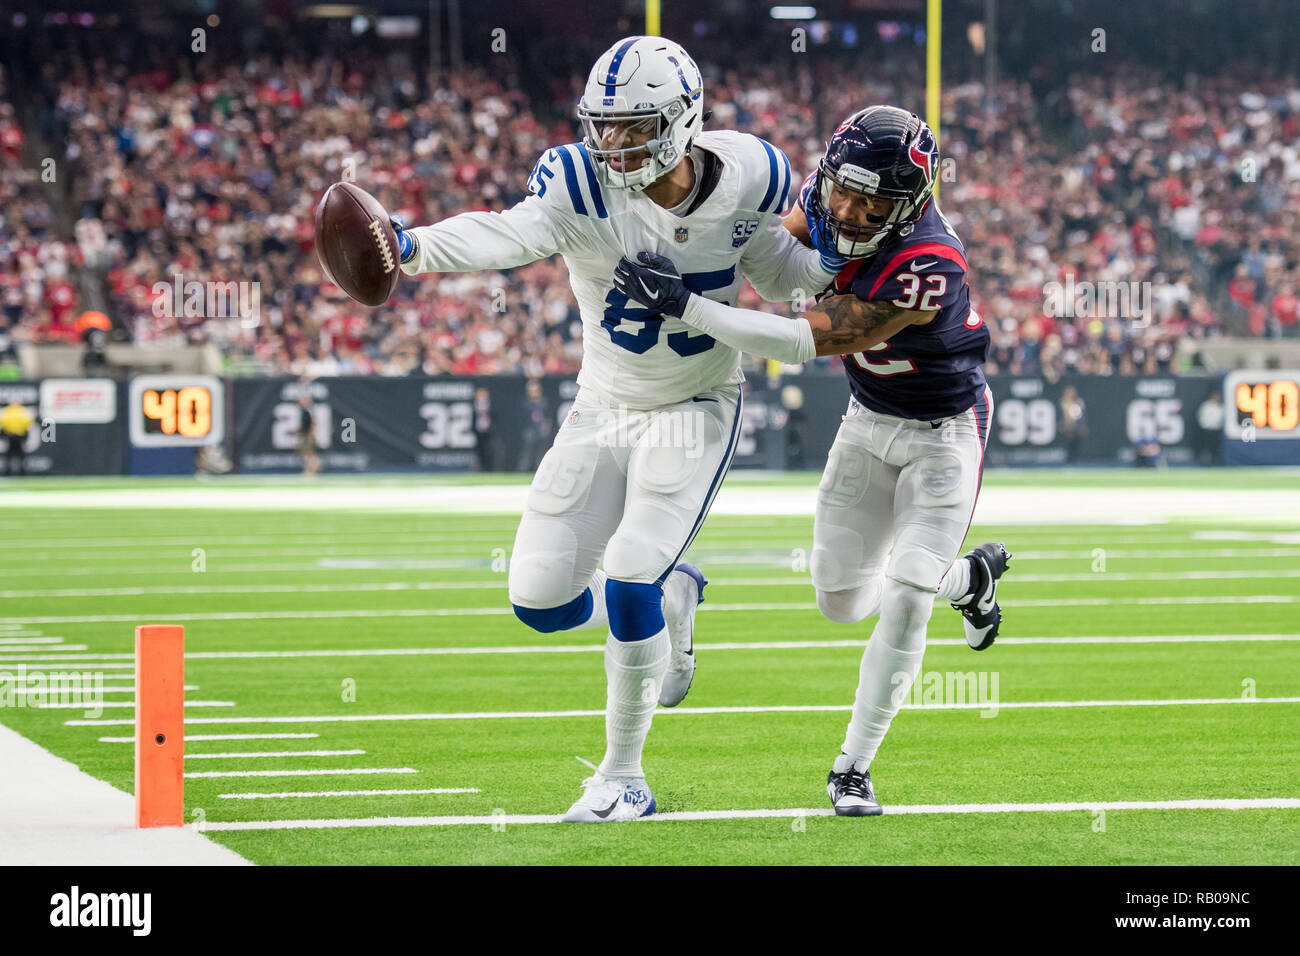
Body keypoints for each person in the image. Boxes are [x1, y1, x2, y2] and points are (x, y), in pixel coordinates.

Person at [390, 36, 843, 822]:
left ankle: (623, 777)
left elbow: (779, 275)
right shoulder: (575, 182)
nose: (613, 143)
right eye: (603, 125)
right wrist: (413, 248)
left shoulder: (753, 173)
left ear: (682, 120)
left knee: (631, 570)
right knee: (539, 599)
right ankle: (674, 597)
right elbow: (509, 232)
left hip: (696, 406)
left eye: (633, 127)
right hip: (601, 406)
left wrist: (837, 255)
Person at [615, 106, 1012, 816]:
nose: (853, 211)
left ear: (913, 201)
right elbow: (761, 257)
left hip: (944, 432)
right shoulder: (826, 201)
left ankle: (853, 767)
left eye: (875, 200)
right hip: (866, 423)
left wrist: (685, 305)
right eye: (845, 191)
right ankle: (971, 579)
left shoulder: (928, 261)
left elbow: (805, 337)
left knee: (908, 595)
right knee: (839, 600)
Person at [516, 379, 550, 472]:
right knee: (527, 452)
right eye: (532, 391)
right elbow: (522, 418)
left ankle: (540, 471)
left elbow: (547, 416)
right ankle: (522, 471)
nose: (534, 393)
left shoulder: (543, 401)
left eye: (536, 390)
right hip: (530, 430)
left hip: (541, 430)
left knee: (541, 452)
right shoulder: (526, 403)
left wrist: (546, 427)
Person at [1, 399, 34, 475]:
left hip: (17, 435)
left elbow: (28, 423)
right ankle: (9, 470)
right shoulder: (8, 411)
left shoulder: (21, 411)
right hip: (12, 435)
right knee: (11, 454)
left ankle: (20, 470)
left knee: (18, 454)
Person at [1195, 391, 1224, 465]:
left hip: (1217, 431)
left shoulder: (1220, 406)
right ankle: (1206, 462)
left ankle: (1216, 462)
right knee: (1207, 448)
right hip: (1207, 430)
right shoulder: (1207, 405)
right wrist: (1208, 425)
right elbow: (1202, 418)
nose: (1218, 398)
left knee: (1216, 448)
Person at [1060, 385, 1087, 464]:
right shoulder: (1063, 402)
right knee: (1067, 445)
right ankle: (1068, 460)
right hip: (1066, 429)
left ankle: (1074, 460)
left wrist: (1082, 427)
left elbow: (1081, 416)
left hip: (1076, 428)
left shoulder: (1078, 402)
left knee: (1076, 445)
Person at [296, 392, 319, 477]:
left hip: (306, 435)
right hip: (305, 434)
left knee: (307, 453)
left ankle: (312, 469)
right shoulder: (305, 412)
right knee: (306, 453)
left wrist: (311, 435)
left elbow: (312, 424)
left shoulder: (307, 412)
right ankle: (313, 468)